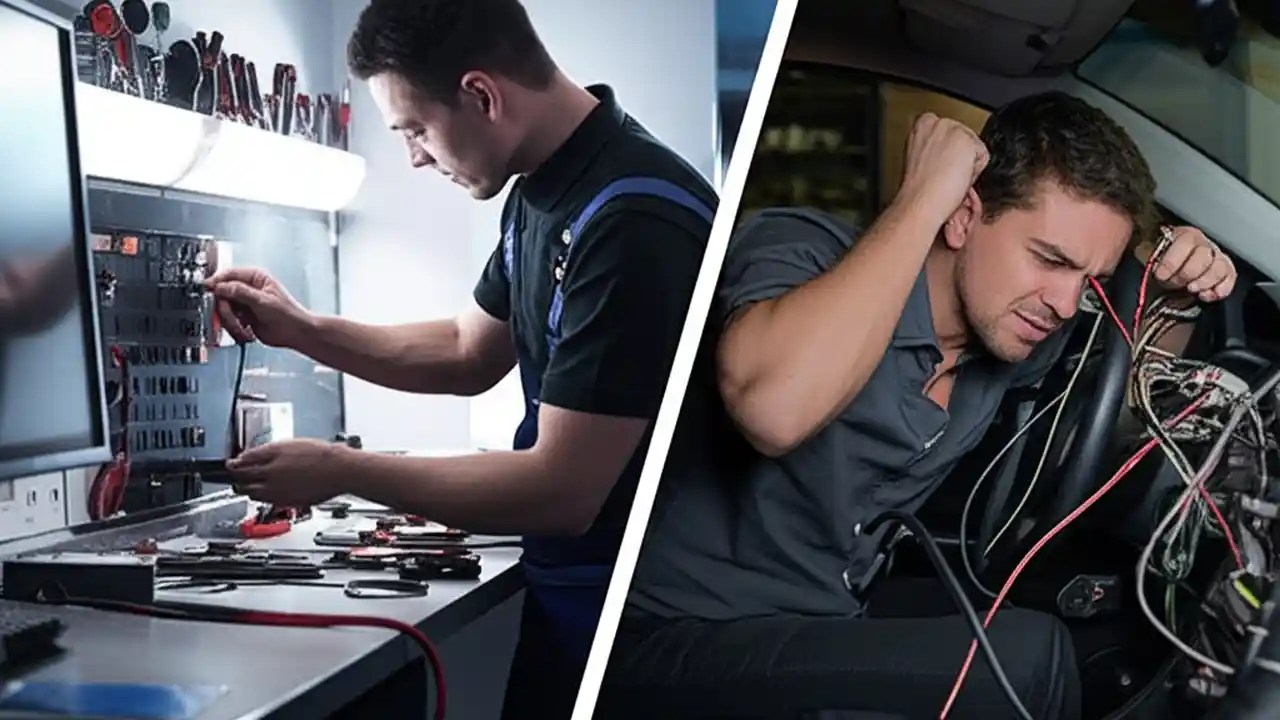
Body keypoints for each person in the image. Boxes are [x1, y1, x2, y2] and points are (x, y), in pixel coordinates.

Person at [596, 92, 1237, 719]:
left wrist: (1177, 297)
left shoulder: (1014, 334)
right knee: (1025, 659)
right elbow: (773, 410)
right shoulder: (801, 248)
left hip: (832, 609)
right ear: (963, 216)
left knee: (1059, 627)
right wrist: (922, 197)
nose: (1066, 304)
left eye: (1087, 279)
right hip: (674, 629)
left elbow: (1132, 388)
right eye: (1048, 260)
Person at [203, 0, 718, 717]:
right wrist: (303, 329)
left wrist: (344, 471)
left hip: (641, 620)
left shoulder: (632, 219)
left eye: (414, 129)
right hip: (574, 596)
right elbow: (465, 349)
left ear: (481, 95)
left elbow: (562, 491)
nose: (414, 155)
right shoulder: (544, 188)